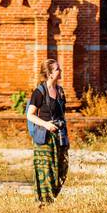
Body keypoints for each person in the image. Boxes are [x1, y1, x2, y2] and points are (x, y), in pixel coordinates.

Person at [26, 59, 68, 204]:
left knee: (62, 168)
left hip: (59, 136)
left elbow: (62, 115)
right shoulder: (39, 92)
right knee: (45, 171)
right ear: (50, 73)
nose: (60, 71)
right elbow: (30, 115)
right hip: (44, 138)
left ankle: (51, 198)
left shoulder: (60, 91)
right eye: (57, 69)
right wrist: (46, 124)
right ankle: (45, 202)